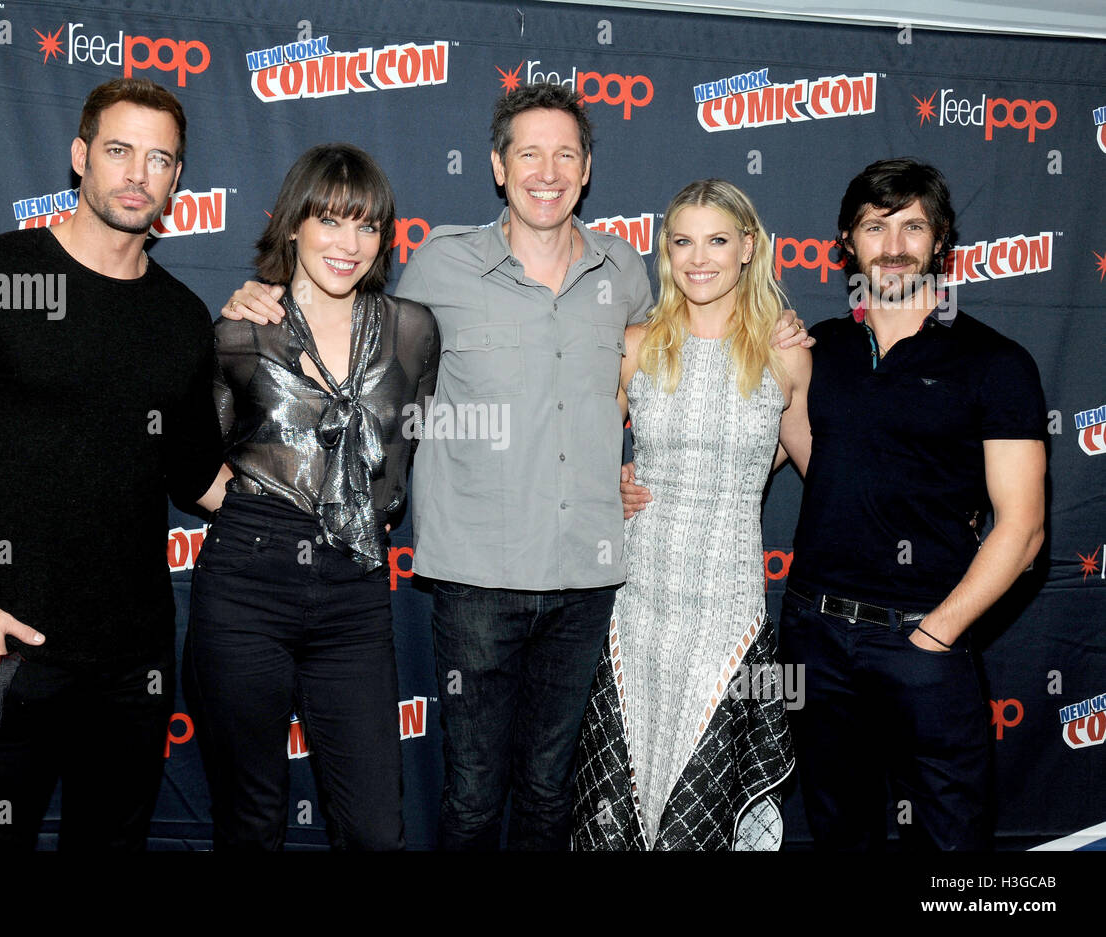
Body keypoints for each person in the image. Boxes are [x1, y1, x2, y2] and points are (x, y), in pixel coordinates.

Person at [221, 84, 807, 851]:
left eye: (566, 153)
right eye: (528, 152)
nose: (547, 169)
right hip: (475, 578)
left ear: (588, 167)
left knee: (549, 793)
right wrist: (260, 296)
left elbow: (679, 373)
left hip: (589, 581)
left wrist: (776, 330)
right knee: (470, 798)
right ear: (499, 167)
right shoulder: (440, 267)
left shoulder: (626, 273)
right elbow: (351, 324)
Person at [0, 78, 227, 850]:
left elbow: (198, 479)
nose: (137, 174)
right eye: (119, 151)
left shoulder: (183, 317)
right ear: (80, 156)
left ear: (177, 181)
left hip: (134, 672)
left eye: (160, 159)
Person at [779, 158, 1046, 850]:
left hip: (925, 642)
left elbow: (1023, 529)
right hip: (814, 636)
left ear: (938, 241)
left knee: (951, 844)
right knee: (841, 832)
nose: (893, 244)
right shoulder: (824, 346)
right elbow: (821, 461)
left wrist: (936, 635)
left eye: (911, 226)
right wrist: (783, 373)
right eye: (875, 226)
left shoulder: (994, 361)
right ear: (847, 241)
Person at [184, 144, 437, 851]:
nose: (348, 244)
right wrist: (252, 513)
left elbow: (406, 453)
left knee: (375, 828)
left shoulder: (413, 331)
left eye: (366, 226)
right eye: (330, 221)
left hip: (354, 591)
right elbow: (192, 458)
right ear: (294, 224)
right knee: (252, 819)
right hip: (245, 585)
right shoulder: (240, 329)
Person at [571, 179, 811, 850]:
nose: (698, 258)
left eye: (717, 240)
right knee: (617, 799)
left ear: (748, 249)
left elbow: (825, 466)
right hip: (636, 606)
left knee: (704, 804)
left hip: (729, 609)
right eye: (683, 241)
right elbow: (569, 451)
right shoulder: (636, 345)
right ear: (665, 250)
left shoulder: (785, 352)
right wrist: (604, 486)